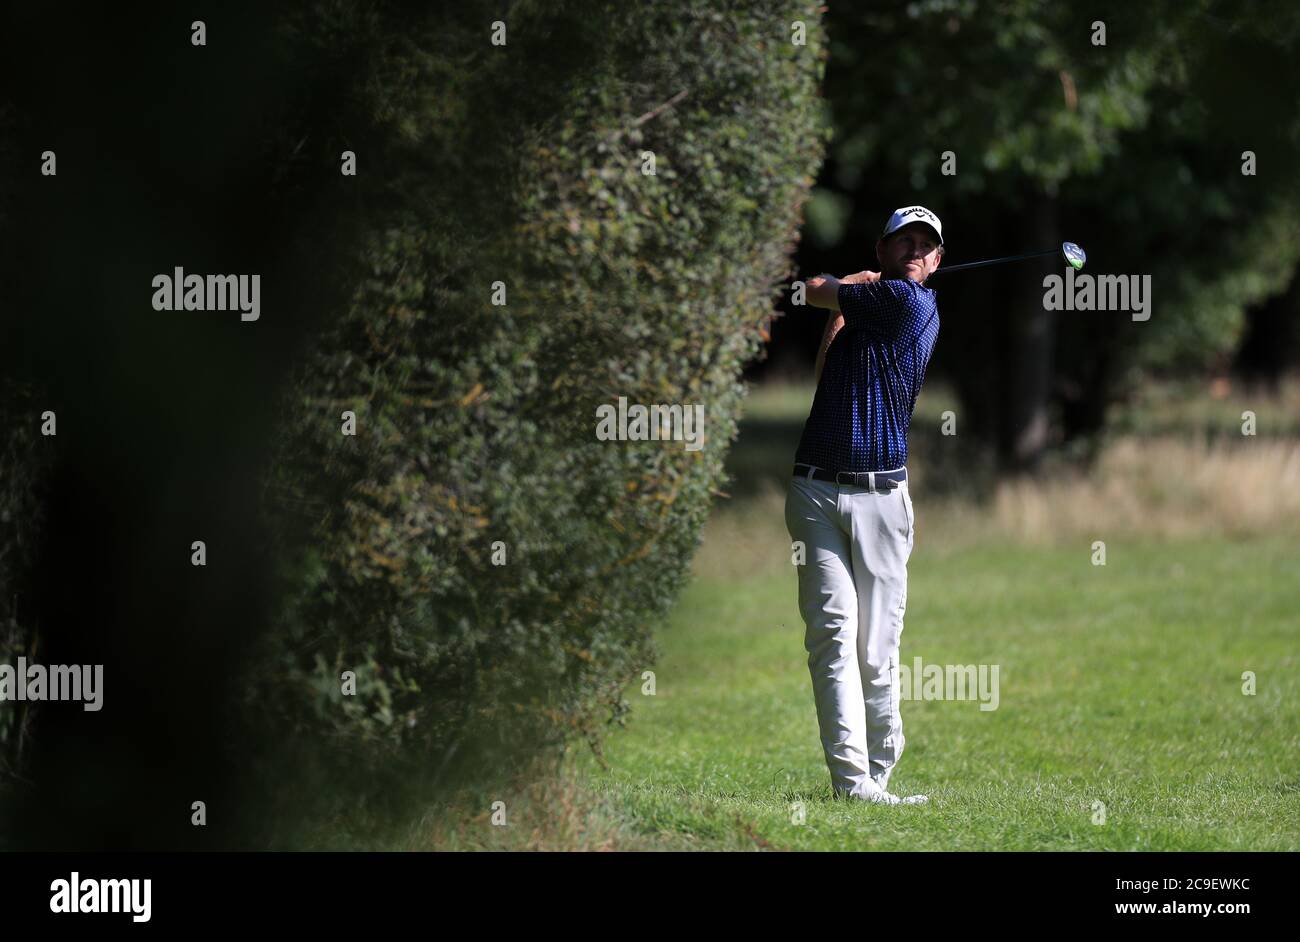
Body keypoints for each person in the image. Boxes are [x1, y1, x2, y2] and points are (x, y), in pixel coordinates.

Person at [784, 206, 944, 805]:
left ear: (935, 263)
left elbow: (812, 289)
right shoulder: (870, 310)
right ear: (883, 248)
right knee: (831, 634)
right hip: (815, 490)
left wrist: (849, 285)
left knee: (876, 646)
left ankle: (881, 766)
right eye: (903, 240)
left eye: (924, 245)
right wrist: (844, 308)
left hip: (880, 497)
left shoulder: (911, 305)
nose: (913, 249)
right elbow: (829, 375)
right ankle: (853, 786)